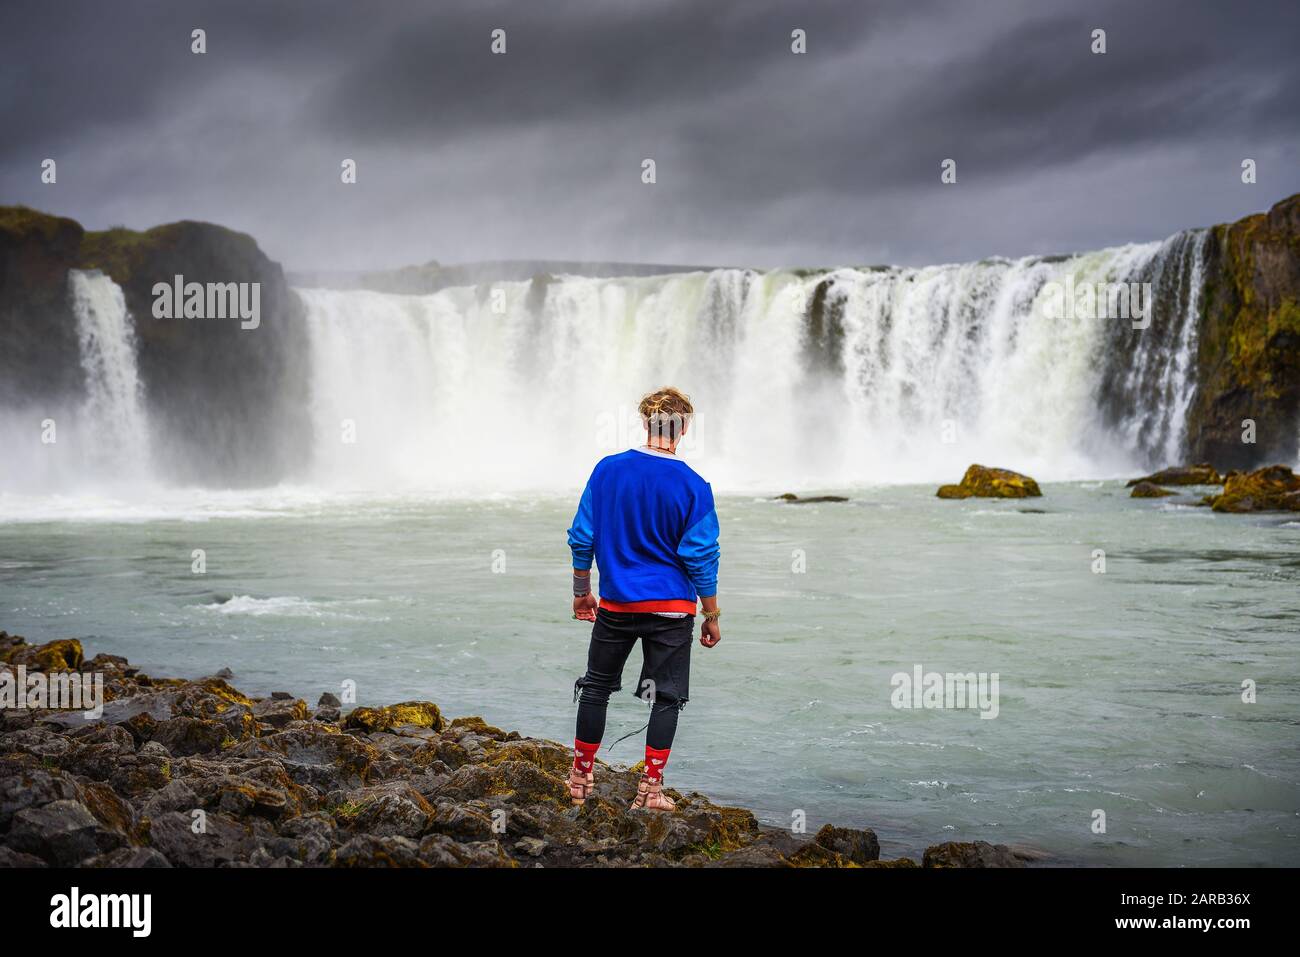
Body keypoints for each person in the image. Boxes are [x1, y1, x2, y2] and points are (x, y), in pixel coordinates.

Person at [566, 386, 722, 811]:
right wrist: (711, 614)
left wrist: (583, 592)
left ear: (645, 422)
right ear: (683, 427)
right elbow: (701, 556)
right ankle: (650, 790)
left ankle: (580, 779)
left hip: (616, 604)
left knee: (596, 688)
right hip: (672, 611)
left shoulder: (607, 471)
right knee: (666, 698)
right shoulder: (694, 485)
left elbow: (582, 536)